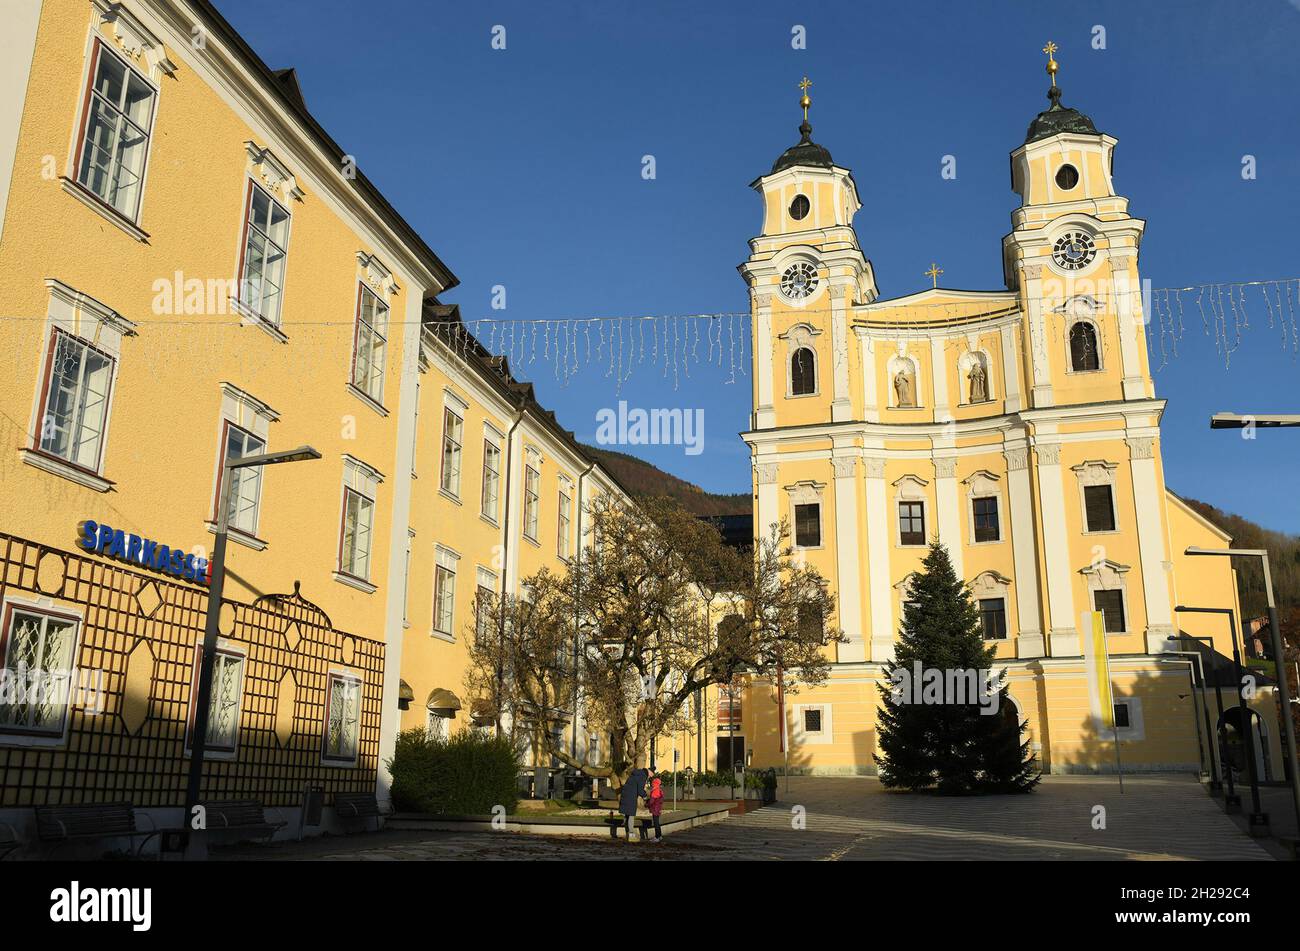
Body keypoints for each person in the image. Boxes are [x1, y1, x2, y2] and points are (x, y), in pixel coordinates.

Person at [618, 766, 648, 841]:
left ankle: (628, 833)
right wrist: (645, 796)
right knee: (631, 815)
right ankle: (631, 835)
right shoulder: (642, 777)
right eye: (651, 773)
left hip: (625, 796)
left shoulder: (634, 775)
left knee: (627, 815)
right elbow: (640, 790)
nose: (651, 775)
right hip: (631, 797)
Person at [647, 770, 665, 842]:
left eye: (652, 783)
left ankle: (657, 837)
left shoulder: (655, 791)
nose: (652, 784)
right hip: (658, 808)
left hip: (654, 808)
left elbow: (652, 801)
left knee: (656, 823)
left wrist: (647, 804)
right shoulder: (660, 790)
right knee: (657, 822)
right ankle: (659, 836)